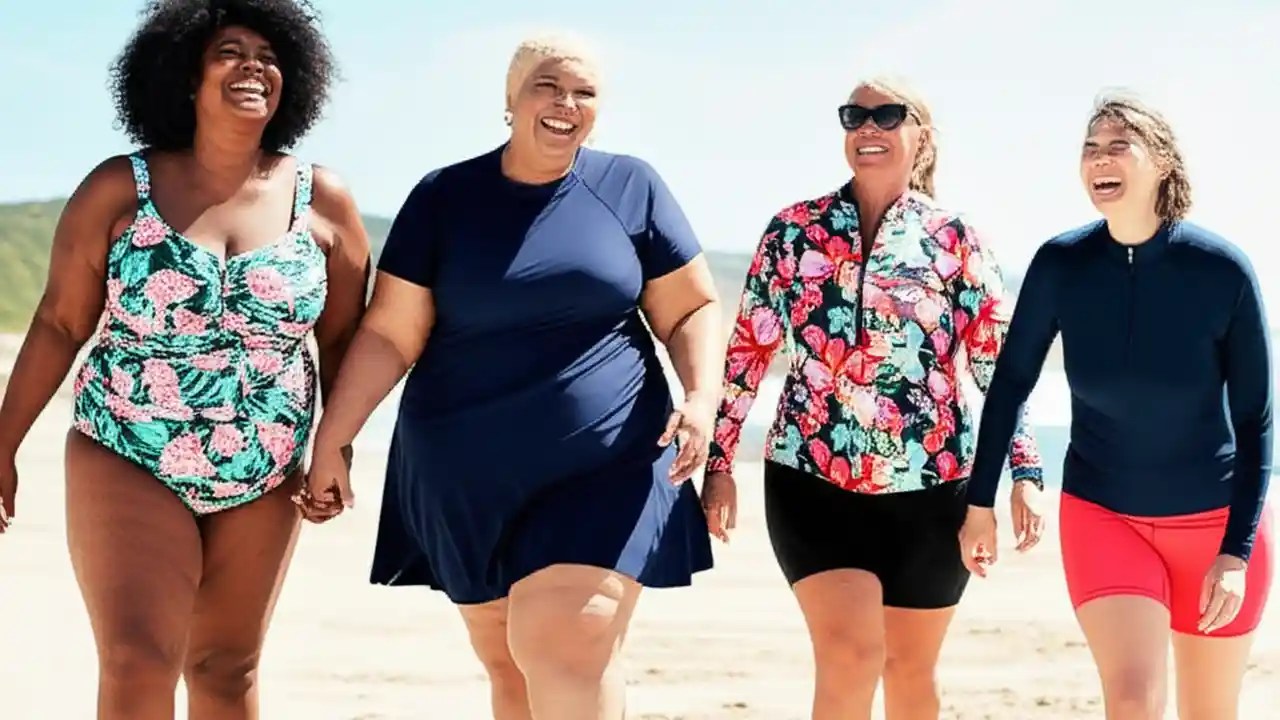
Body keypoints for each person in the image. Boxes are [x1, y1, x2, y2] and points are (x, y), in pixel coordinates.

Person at [294, 32, 721, 720]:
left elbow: (692, 307)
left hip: (605, 461)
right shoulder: (444, 198)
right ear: (511, 99)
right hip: (464, 472)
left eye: (584, 93)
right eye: (547, 86)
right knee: (510, 667)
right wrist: (333, 438)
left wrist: (702, 399)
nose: (566, 104)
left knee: (565, 643)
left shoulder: (629, 186)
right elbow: (390, 334)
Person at [0, 1, 370, 717]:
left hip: (265, 464)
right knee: (139, 661)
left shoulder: (323, 198)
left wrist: (337, 449)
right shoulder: (120, 186)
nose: (253, 66)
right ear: (184, 76)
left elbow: (344, 340)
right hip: (129, 445)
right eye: (229, 51)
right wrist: (2, 441)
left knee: (226, 671)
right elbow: (58, 321)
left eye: (268, 54)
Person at [699, 76, 1045, 720]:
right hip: (811, 475)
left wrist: (1022, 471)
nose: (868, 127)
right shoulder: (793, 231)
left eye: (888, 115)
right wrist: (720, 463)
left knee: (911, 671)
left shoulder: (954, 239)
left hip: (935, 486)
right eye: (854, 115)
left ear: (922, 137)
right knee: (851, 655)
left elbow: (997, 367)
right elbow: (748, 350)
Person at [960, 91, 1274, 720]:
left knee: (1209, 713)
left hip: (1215, 526)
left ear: (1161, 162)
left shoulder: (1222, 271)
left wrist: (1236, 552)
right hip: (1105, 514)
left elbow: (1256, 421)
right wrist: (979, 502)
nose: (1098, 159)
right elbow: (1011, 382)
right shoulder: (1061, 265)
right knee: (1132, 702)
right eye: (1089, 148)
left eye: (1116, 146)